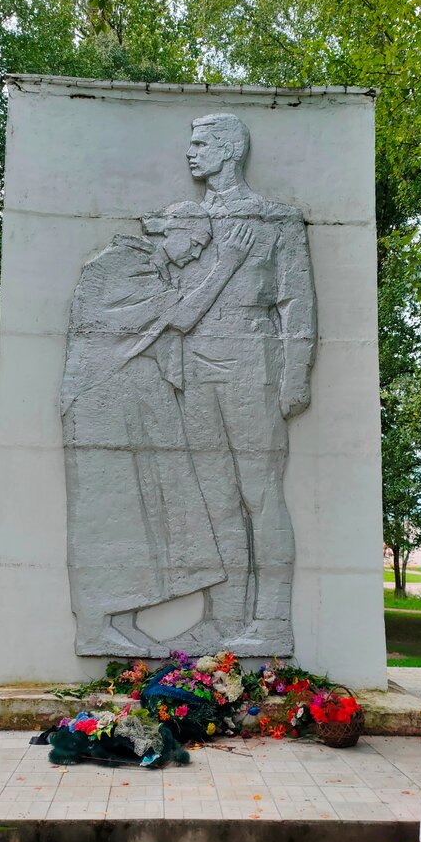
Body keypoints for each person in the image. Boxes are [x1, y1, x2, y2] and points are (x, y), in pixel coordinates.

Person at [61, 201, 253, 655]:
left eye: (207, 250)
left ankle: (120, 619)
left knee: (142, 517)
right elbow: (182, 316)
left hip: (129, 401)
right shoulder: (123, 266)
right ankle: (93, 625)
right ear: (176, 231)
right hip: (101, 403)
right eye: (197, 245)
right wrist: (226, 265)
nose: (196, 256)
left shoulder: (148, 267)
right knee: (110, 517)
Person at [171, 112, 317, 654]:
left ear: (230, 151)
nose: (190, 152)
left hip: (253, 361)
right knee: (216, 499)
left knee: (260, 493)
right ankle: (224, 618)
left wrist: (295, 375)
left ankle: (273, 621)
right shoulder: (184, 220)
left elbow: (296, 301)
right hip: (198, 366)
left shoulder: (275, 220)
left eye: (201, 141)